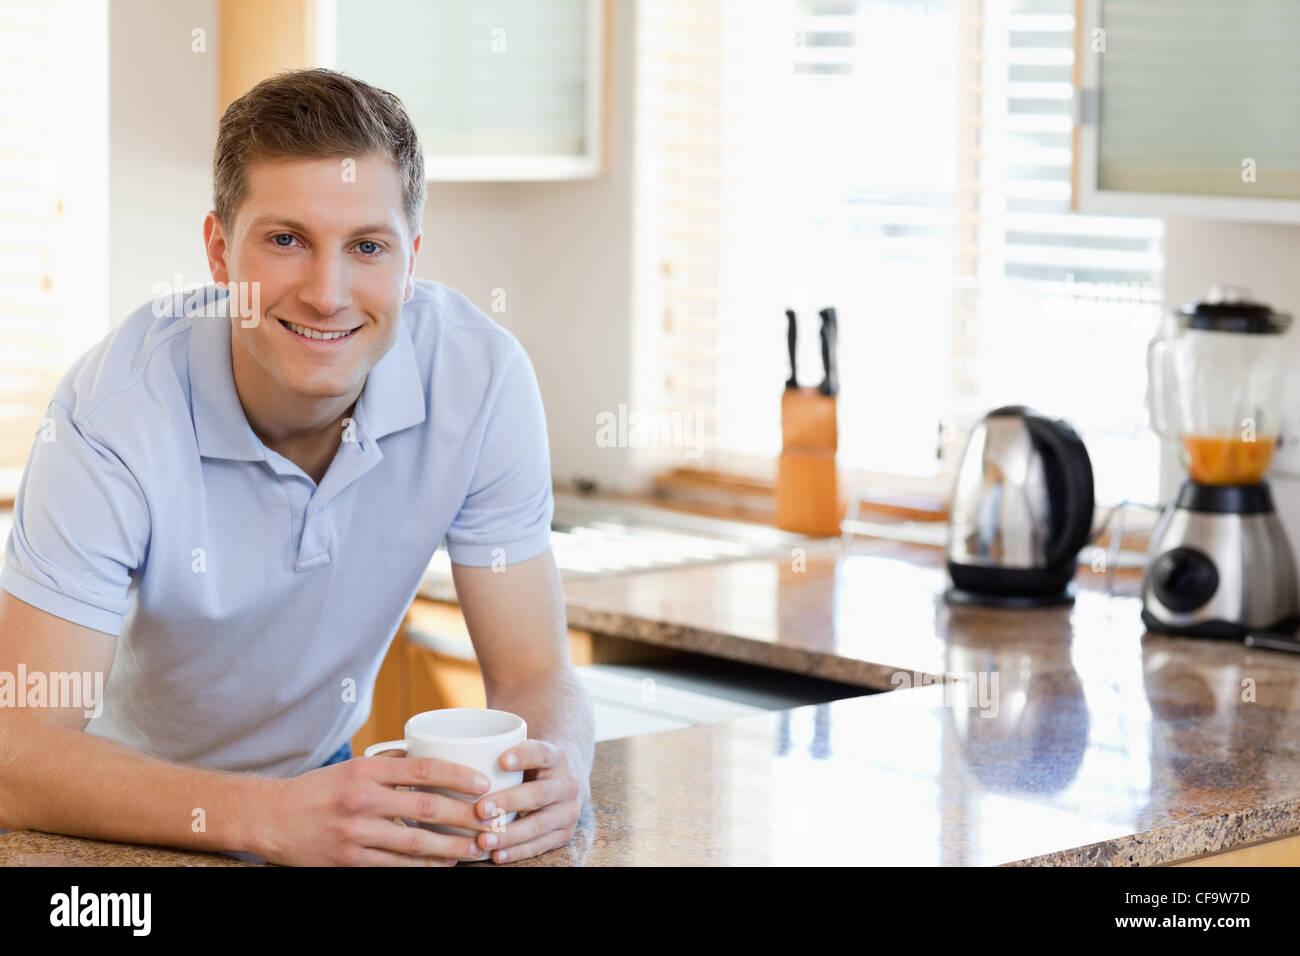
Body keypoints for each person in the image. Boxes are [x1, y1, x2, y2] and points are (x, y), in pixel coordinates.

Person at [0, 68, 592, 866]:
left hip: (322, 796)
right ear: (218, 250)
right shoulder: (114, 415)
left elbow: (534, 672)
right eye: (286, 240)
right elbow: (17, 755)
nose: (327, 292)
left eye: (367, 247)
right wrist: (268, 818)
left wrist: (560, 767)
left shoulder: (481, 380)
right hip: (120, 815)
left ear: (410, 261)